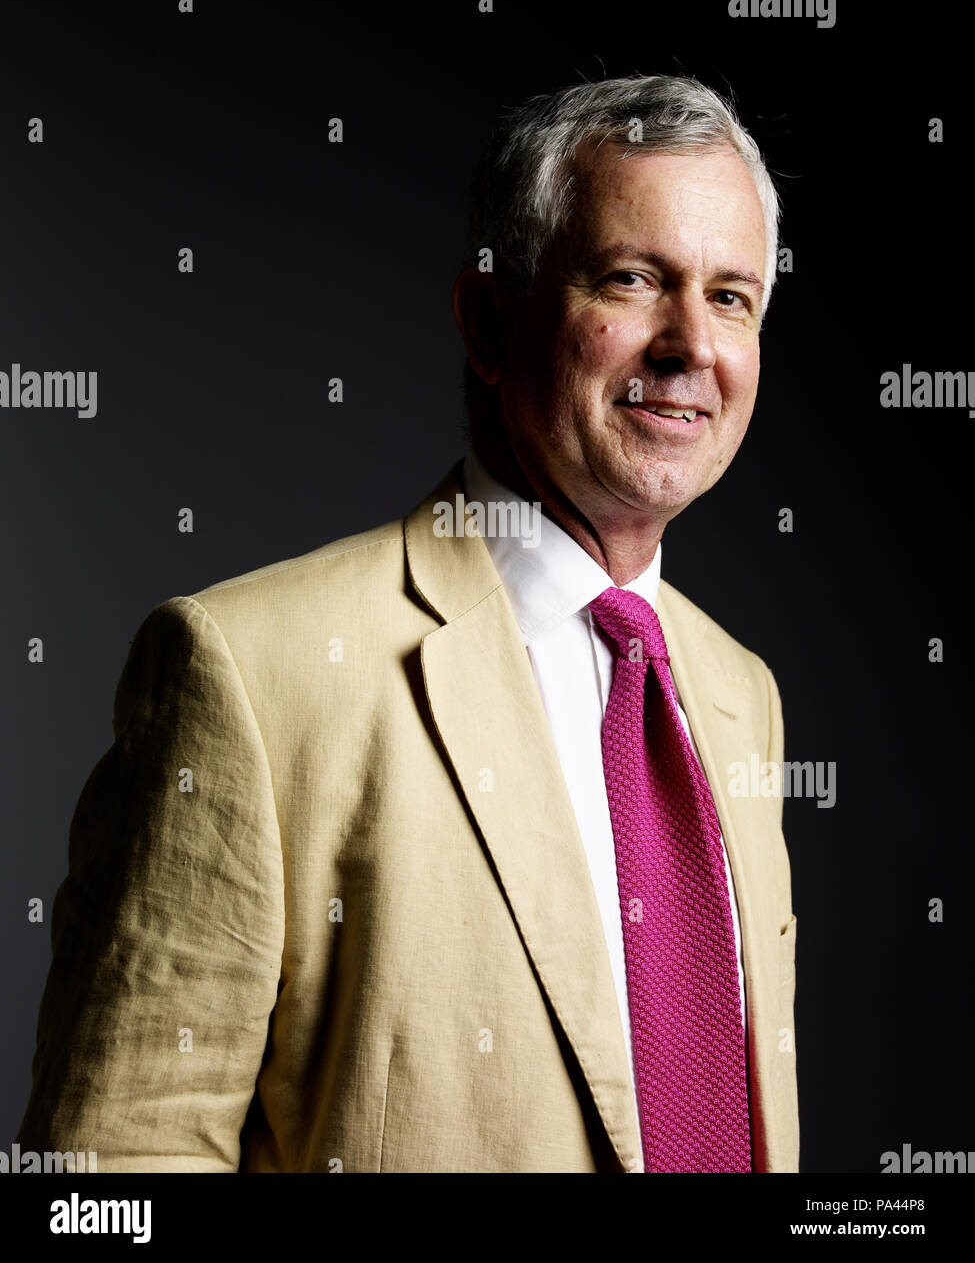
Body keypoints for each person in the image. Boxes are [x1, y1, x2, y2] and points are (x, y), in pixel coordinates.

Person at [19, 74, 798, 1173]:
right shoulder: (247, 671)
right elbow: (103, 1181)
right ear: (489, 320)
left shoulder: (739, 696)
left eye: (732, 296)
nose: (690, 345)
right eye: (632, 279)